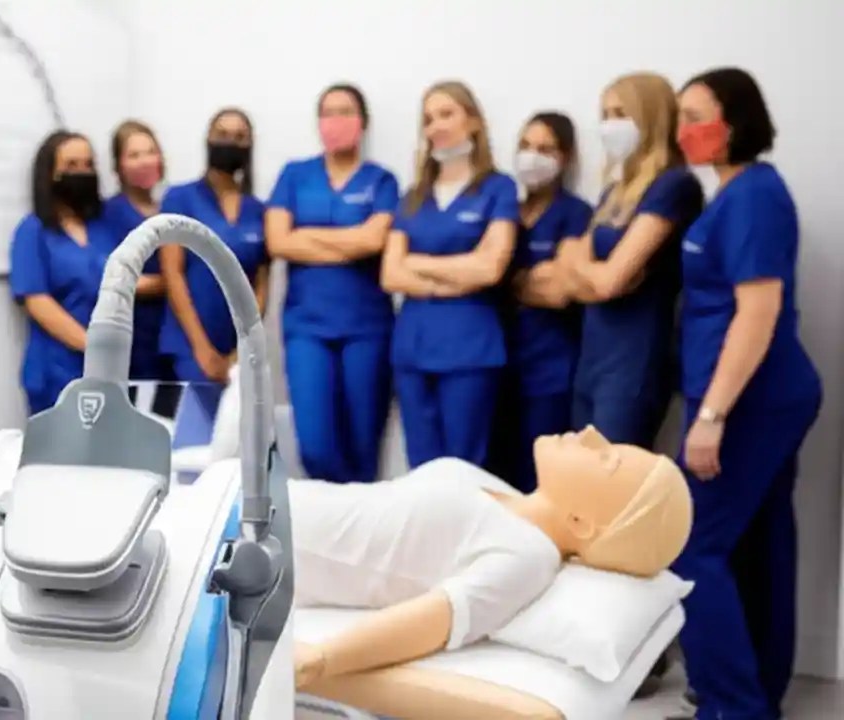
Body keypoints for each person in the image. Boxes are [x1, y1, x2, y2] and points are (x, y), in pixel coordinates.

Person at [291, 426, 693, 690]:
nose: (591, 435)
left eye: (606, 459)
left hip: (264, 542)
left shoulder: (527, 556)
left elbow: (434, 621)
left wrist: (321, 660)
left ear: (581, 523)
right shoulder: (506, 497)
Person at [670, 67, 822, 720]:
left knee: (690, 545)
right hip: (754, 395)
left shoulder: (755, 197)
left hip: (749, 399)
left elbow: (757, 313)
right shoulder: (732, 194)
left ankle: (732, 707)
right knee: (757, 543)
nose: (683, 130)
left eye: (695, 116)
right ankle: (756, 697)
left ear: (733, 122)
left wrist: (711, 416)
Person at [555, 72, 703, 448]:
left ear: (651, 117)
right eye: (605, 114)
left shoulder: (674, 186)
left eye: (621, 114)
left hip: (634, 360)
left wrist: (592, 275)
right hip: (592, 357)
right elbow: (570, 272)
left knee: (614, 477)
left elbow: (608, 281)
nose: (609, 125)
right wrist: (595, 276)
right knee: (579, 475)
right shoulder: (614, 191)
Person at [266, 83, 399, 485]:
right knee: (315, 445)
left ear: (363, 123)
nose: (336, 120)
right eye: (328, 112)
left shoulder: (381, 181)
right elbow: (278, 242)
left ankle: (360, 517)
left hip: (367, 328)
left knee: (363, 445)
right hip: (307, 327)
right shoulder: (295, 175)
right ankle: (334, 510)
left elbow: (374, 240)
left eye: (345, 112)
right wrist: (350, 242)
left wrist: (307, 237)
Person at [382, 81, 518, 469]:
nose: (436, 126)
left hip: (469, 347)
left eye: (446, 114)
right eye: (428, 119)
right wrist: (459, 273)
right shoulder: (413, 197)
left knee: (464, 467)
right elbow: (391, 274)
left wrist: (418, 263)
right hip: (414, 345)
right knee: (423, 468)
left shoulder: (498, 188)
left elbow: (490, 268)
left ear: (473, 121)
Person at [499, 112, 592, 491]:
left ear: (564, 157)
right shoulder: (505, 209)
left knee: (541, 477)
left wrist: (508, 281)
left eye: (545, 149)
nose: (532, 157)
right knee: (497, 476)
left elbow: (559, 290)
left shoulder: (575, 213)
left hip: (550, 366)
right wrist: (529, 277)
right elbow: (486, 275)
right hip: (500, 364)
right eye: (525, 146)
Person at [9, 130, 122, 414]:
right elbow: (37, 301)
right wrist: (93, 347)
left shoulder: (103, 228)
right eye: (71, 166)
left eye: (88, 165)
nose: (82, 173)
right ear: (50, 174)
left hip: (106, 369)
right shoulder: (33, 230)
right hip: (56, 367)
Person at [158, 108, 269, 383]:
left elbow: (261, 285)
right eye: (222, 134)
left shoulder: (258, 210)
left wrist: (243, 348)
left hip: (239, 352)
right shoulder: (179, 198)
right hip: (188, 345)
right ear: (208, 139)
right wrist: (201, 349)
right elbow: (172, 273)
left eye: (239, 137)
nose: (230, 142)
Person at [105, 120, 169, 381]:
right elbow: (113, 279)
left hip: (169, 335)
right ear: (118, 166)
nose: (145, 162)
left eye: (151, 152)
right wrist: (174, 282)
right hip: (134, 335)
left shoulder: (170, 208)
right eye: (134, 155)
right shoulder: (109, 214)